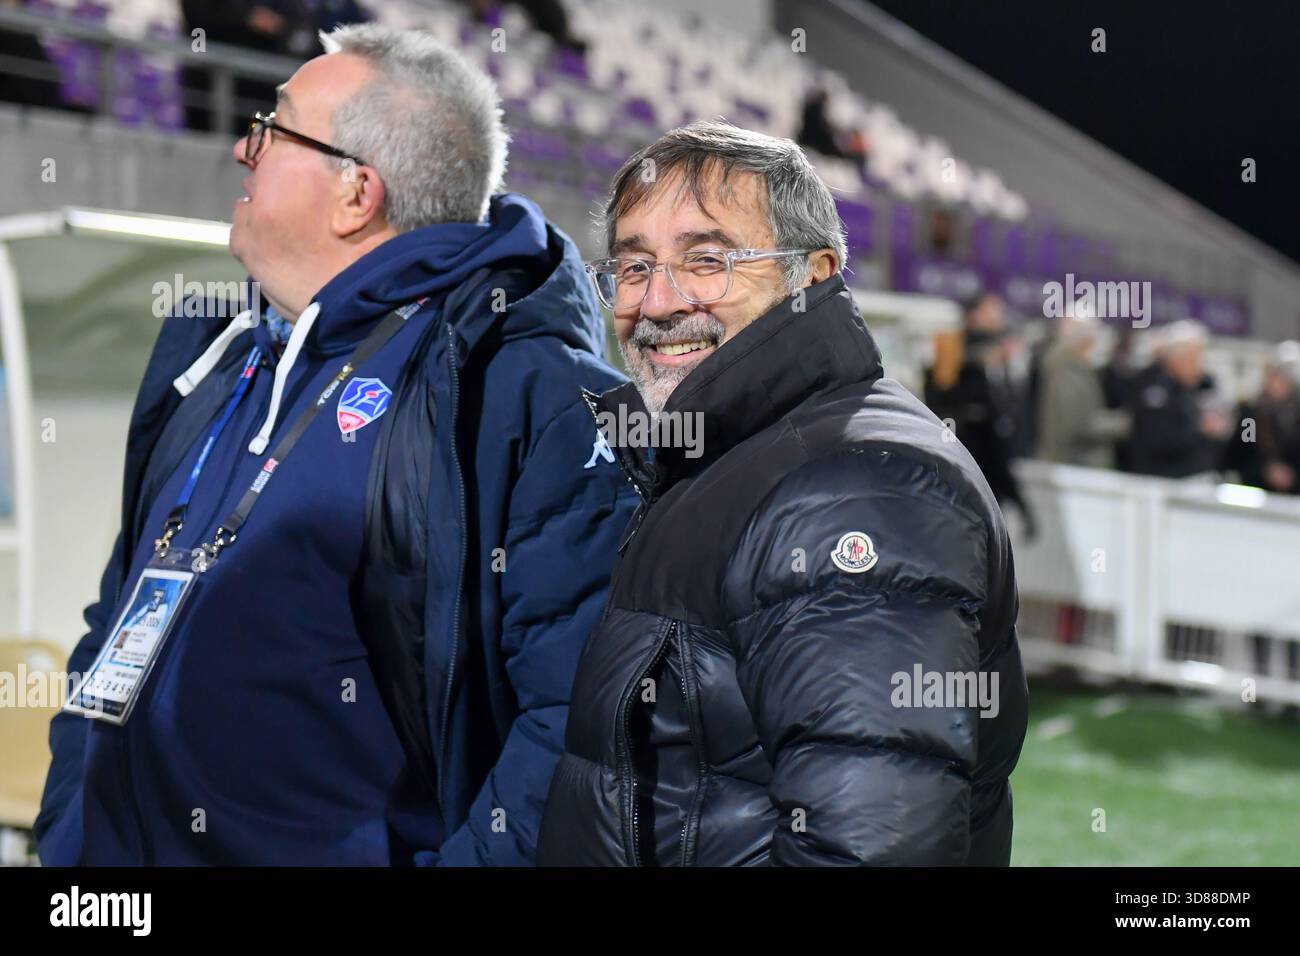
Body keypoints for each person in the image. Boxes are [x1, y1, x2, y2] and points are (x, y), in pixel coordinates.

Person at [36, 24, 635, 866]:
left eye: (273, 129)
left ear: (358, 193)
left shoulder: (520, 389)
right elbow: (119, 614)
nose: (244, 150)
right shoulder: (215, 351)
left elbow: (578, 731)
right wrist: (69, 831)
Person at [537, 121, 1028, 866]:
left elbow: (867, 850)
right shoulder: (724, 453)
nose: (658, 302)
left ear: (814, 275)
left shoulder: (860, 486)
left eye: (707, 261)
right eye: (634, 269)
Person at [1126, 320, 1227, 478]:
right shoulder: (1152, 386)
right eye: (1194, 359)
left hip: (1194, 477)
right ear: (1176, 358)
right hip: (1159, 478)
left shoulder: (1199, 386)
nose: (1199, 367)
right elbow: (1157, 439)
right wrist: (1201, 430)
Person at [1037, 310, 1129, 468]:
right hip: (1074, 466)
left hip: (1079, 465)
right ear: (1083, 341)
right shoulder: (1066, 373)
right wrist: (1121, 423)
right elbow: (1076, 425)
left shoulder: (1078, 370)